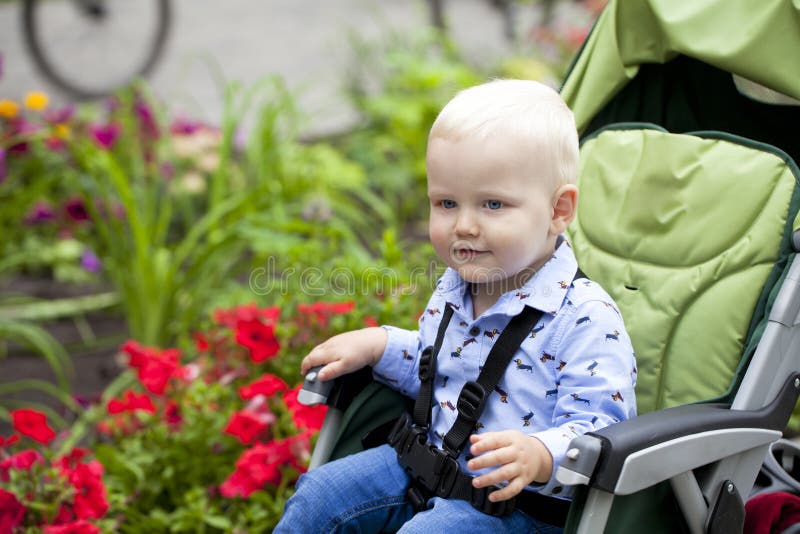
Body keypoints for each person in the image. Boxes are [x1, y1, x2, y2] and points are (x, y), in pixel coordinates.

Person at [274, 79, 637, 533]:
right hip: (427, 464)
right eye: (446, 203)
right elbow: (434, 366)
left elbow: (601, 430)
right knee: (320, 497)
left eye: (492, 204)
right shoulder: (456, 287)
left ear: (558, 210)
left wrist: (541, 455)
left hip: (518, 507)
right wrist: (381, 344)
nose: (463, 225)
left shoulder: (584, 317)